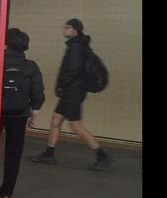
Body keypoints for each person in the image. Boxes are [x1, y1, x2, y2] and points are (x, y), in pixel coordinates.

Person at [30, 18, 111, 171]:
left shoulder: (76, 47)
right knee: (56, 120)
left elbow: (73, 71)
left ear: (75, 30)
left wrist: (62, 86)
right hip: (72, 91)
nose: (64, 30)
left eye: (67, 27)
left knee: (76, 124)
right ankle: (49, 154)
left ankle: (102, 155)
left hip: (72, 92)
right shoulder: (78, 45)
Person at [0, 28, 44, 198]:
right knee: (13, 153)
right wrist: (34, 115)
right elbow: (37, 93)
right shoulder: (31, 66)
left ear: (6, 42)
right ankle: (6, 193)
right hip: (19, 115)